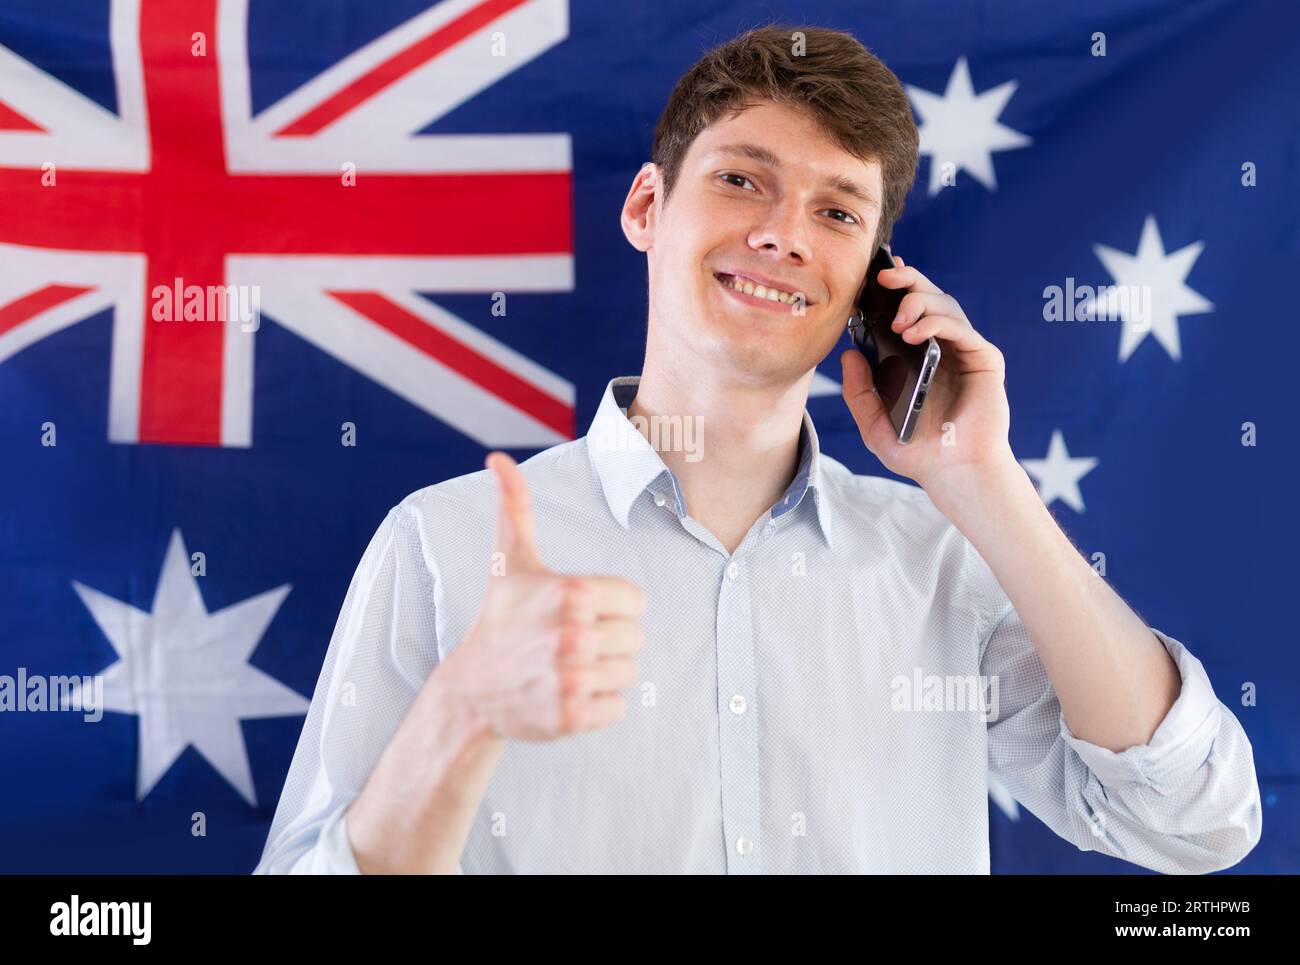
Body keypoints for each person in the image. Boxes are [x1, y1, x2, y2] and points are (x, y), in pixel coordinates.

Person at [253, 24, 1261, 874]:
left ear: (874, 276)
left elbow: (1195, 819)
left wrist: (979, 476)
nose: (783, 235)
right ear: (648, 206)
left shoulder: (941, 558)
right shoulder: (442, 541)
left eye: (836, 211)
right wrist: (462, 713)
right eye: (742, 179)